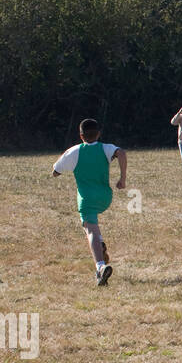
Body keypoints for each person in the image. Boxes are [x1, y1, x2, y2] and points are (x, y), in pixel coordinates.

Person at [52, 119, 127, 286]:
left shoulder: (74, 151)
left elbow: (55, 171)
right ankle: (100, 244)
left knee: (90, 230)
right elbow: (121, 153)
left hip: (87, 199)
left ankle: (100, 268)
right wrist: (122, 179)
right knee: (93, 230)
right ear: (99, 133)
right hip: (105, 197)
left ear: (80, 136)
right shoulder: (105, 148)